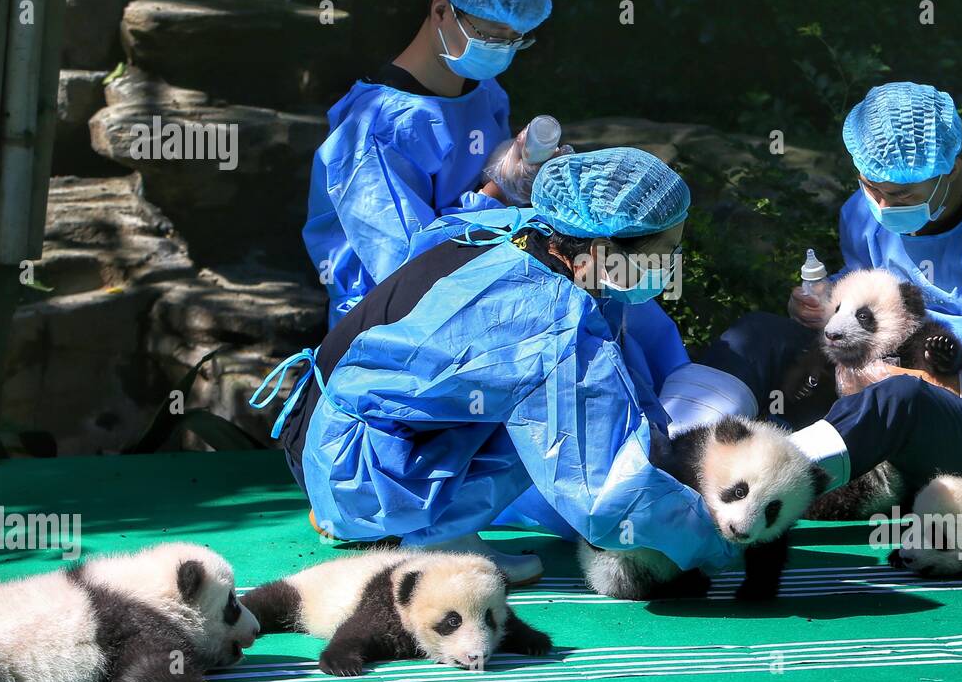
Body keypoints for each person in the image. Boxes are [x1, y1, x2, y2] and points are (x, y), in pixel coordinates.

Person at [252, 149, 741, 586]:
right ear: (602, 251)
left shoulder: (529, 232)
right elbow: (605, 492)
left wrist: (661, 447)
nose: (672, 263)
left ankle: (426, 522)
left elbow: (618, 377)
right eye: (663, 252)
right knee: (556, 432)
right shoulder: (549, 326)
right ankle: (435, 540)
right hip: (353, 470)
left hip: (321, 424)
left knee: (574, 413)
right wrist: (718, 540)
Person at [707, 82, 962, 492]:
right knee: (759, 335)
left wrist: (893, 376)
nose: (883, 207)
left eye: (901, 194)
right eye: (872, 187)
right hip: (875, 396)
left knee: (900, 397)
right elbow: (869, 292)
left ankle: (756, 487)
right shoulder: (863, 213)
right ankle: (686, 458)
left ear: (952, 166)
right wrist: (828, 302)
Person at [303, 0, 556, 328]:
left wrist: (528, 178)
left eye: (515, 40)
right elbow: (410, 269)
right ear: (441, 10)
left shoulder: (485, 93)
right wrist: (498, 192)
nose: (503, 50)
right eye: (491, 36)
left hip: (470, 299)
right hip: (388, 335)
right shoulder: (375, 128)